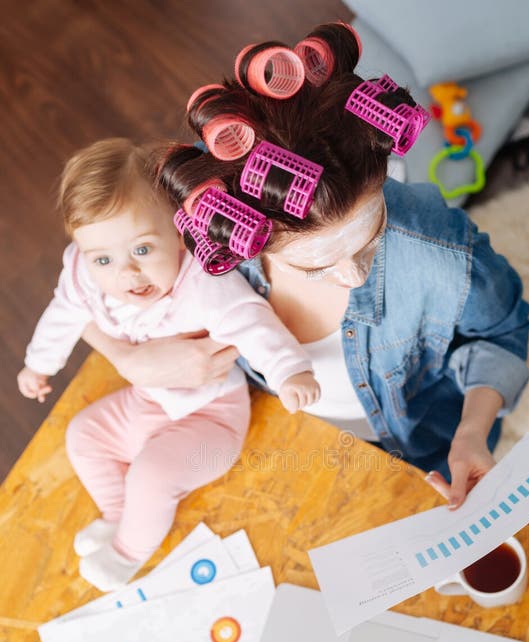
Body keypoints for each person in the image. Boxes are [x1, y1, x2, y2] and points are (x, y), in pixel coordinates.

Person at [84, 21, 529, 510]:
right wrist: (124, 357)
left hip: (413, 443)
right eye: (318, 267)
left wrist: (471, 432)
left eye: (371, 241)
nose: (355, 276)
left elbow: (502, 335)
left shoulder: (441, 252)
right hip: (261, 426)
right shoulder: (202, 218)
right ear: (248, 240)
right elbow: (83, 270)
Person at [18, 138, 320, 590]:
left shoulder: (200, 281)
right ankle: (119, 514)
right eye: (104, 259)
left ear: (179, 233)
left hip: (213, 417)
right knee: (83, 435)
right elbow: (63, 314)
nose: (126, 273)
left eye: (142, 250)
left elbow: (250, 320)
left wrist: (289, 371)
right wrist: (39, 364)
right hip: (149, 403)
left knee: (153, 474)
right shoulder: (86, 277)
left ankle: (127, 553)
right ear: (83, 252)